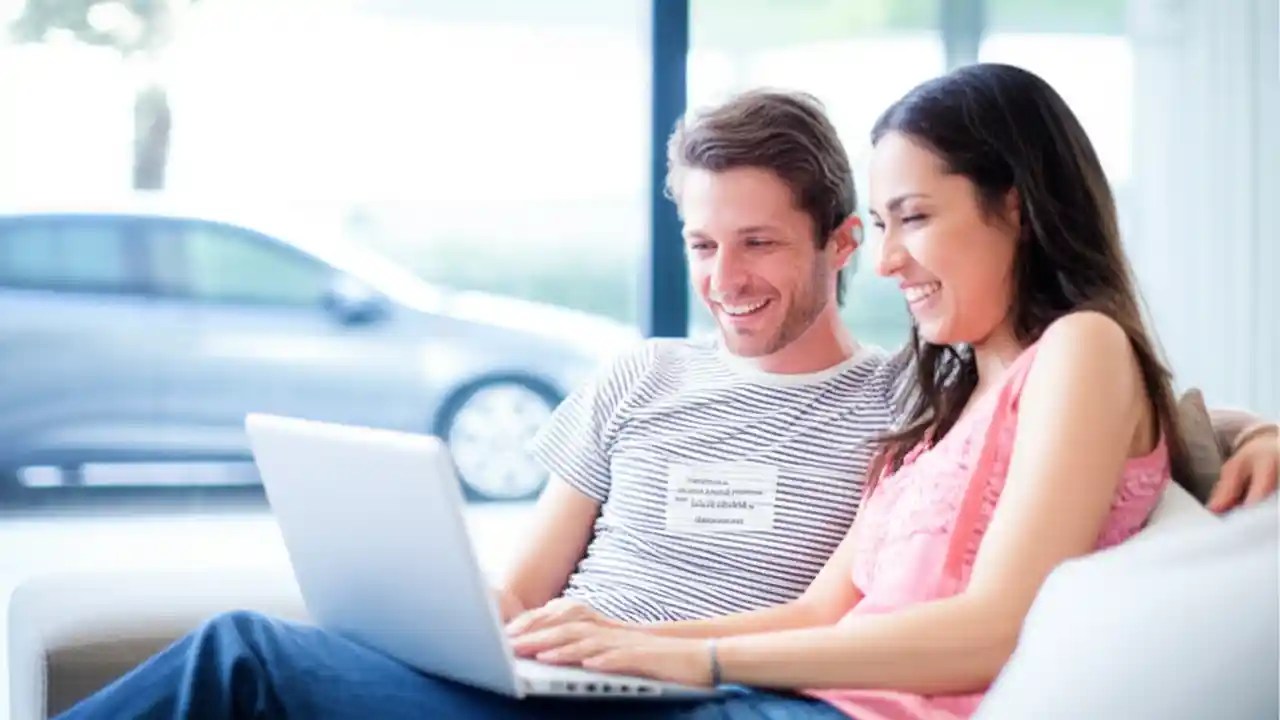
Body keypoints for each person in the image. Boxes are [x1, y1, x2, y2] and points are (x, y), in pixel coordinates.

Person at [57, 66, 1279, 720]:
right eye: (702, 245)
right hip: (673, 682)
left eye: (914, 220)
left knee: (240, 664)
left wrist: (1244, 425)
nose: (724, 280)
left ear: (1013, 203)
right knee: (247, 657)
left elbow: (1119, 443)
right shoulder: (939, 406)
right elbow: (818, 609)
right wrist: (624, 646)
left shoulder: (1032, 360)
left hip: (779, 708)